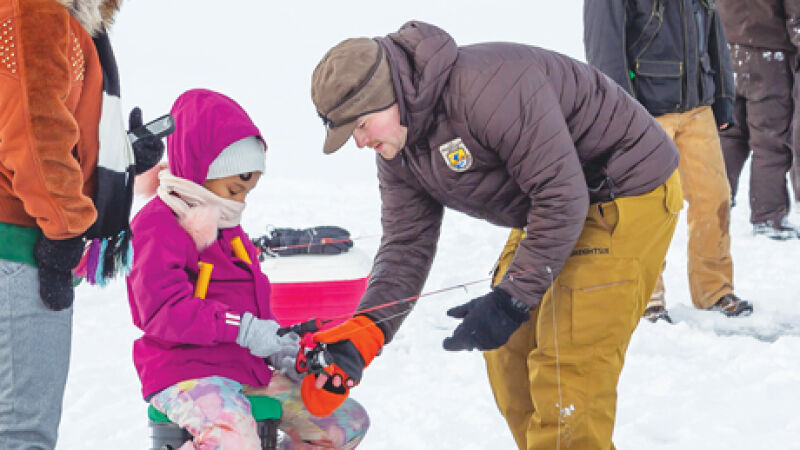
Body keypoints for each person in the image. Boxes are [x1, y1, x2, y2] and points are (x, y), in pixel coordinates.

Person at [302, 21, 683, 449]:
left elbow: (562, 196)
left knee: (569, 368)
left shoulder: (488, 88)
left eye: (360, 126)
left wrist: (511, 297)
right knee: (508, 355)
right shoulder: (400, 148)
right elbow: (406, 244)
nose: (359, 142)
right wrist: (367, 329)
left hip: (623, 191)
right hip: (552, 206)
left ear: (386, 98)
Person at [127, 88, 369, 449]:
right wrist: (243, 329)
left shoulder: (229, 229)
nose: (239, 200)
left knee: (345, 423)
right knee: (234, 439)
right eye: (234, 186)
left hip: (243, 370)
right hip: (184, 373)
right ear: (203, 167)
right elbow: (162, 310)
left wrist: (281, 350)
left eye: (248, 190)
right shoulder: (158, 224)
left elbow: (254, 308)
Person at [0, 0, 163, 447]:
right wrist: (65, 231)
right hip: (20, 246)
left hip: (24, 239)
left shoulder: (63, 22)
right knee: (21, 433)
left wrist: (124, 154)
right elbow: (36, 136)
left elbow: (56, 126)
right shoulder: (32, 12)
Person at [584, 0, 754, 322]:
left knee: (714, 199)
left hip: (697, 108)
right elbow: (604, 48)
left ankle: (714, 291)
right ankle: (647, 297)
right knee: (647, 209)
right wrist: (623, 114)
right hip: (645, 113)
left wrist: (723, 97)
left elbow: (715, 32)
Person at [717, 0, 800, 239]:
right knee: (770, 141)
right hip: (769, 53)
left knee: (731, 134)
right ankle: (768, 216)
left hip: (729, 47)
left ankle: (714, 205)